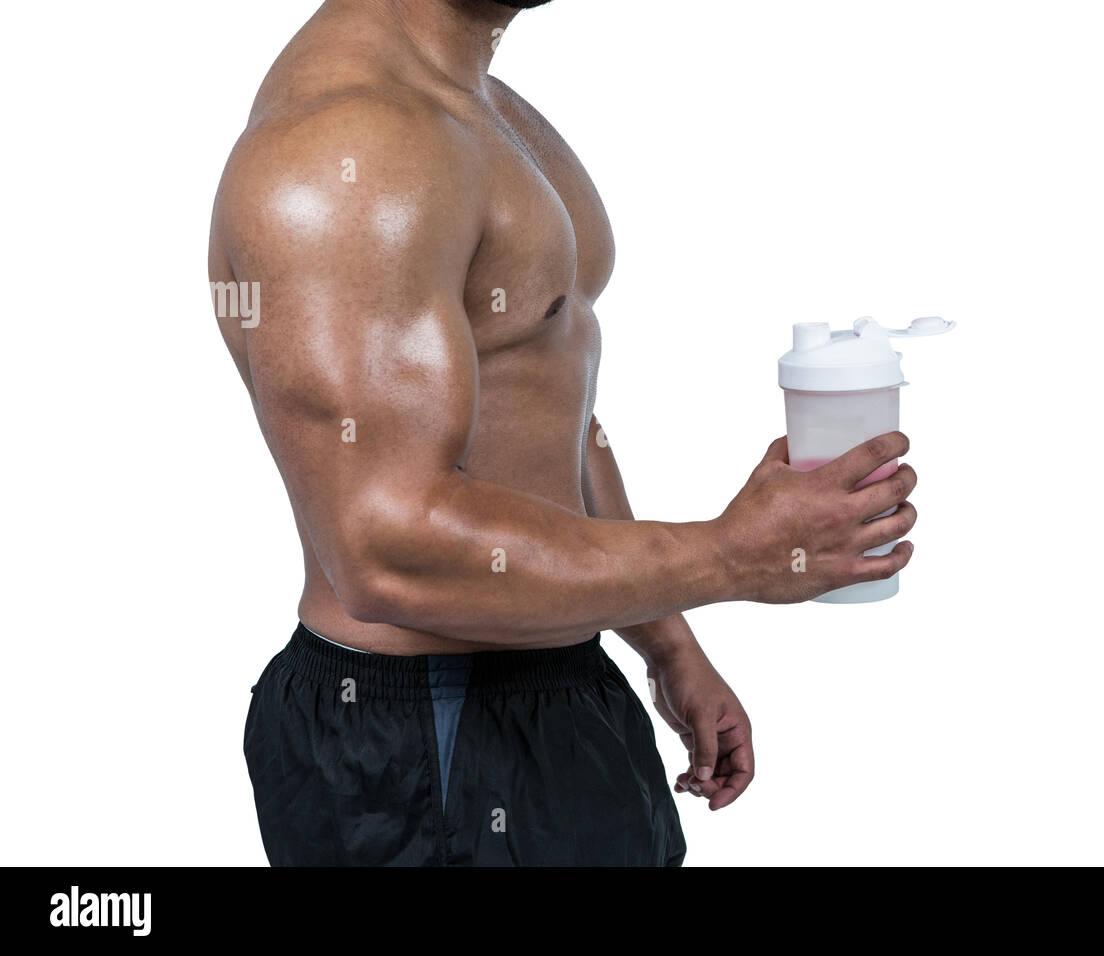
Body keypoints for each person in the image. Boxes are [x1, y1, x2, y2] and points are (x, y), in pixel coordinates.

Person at [208, 0, 918, 866]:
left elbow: (557, 407)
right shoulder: (347, 146)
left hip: (558, 685)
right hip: (420, 733)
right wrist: (731, 555)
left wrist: (666, 636)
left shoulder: (485, 106)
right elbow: (385, 546)